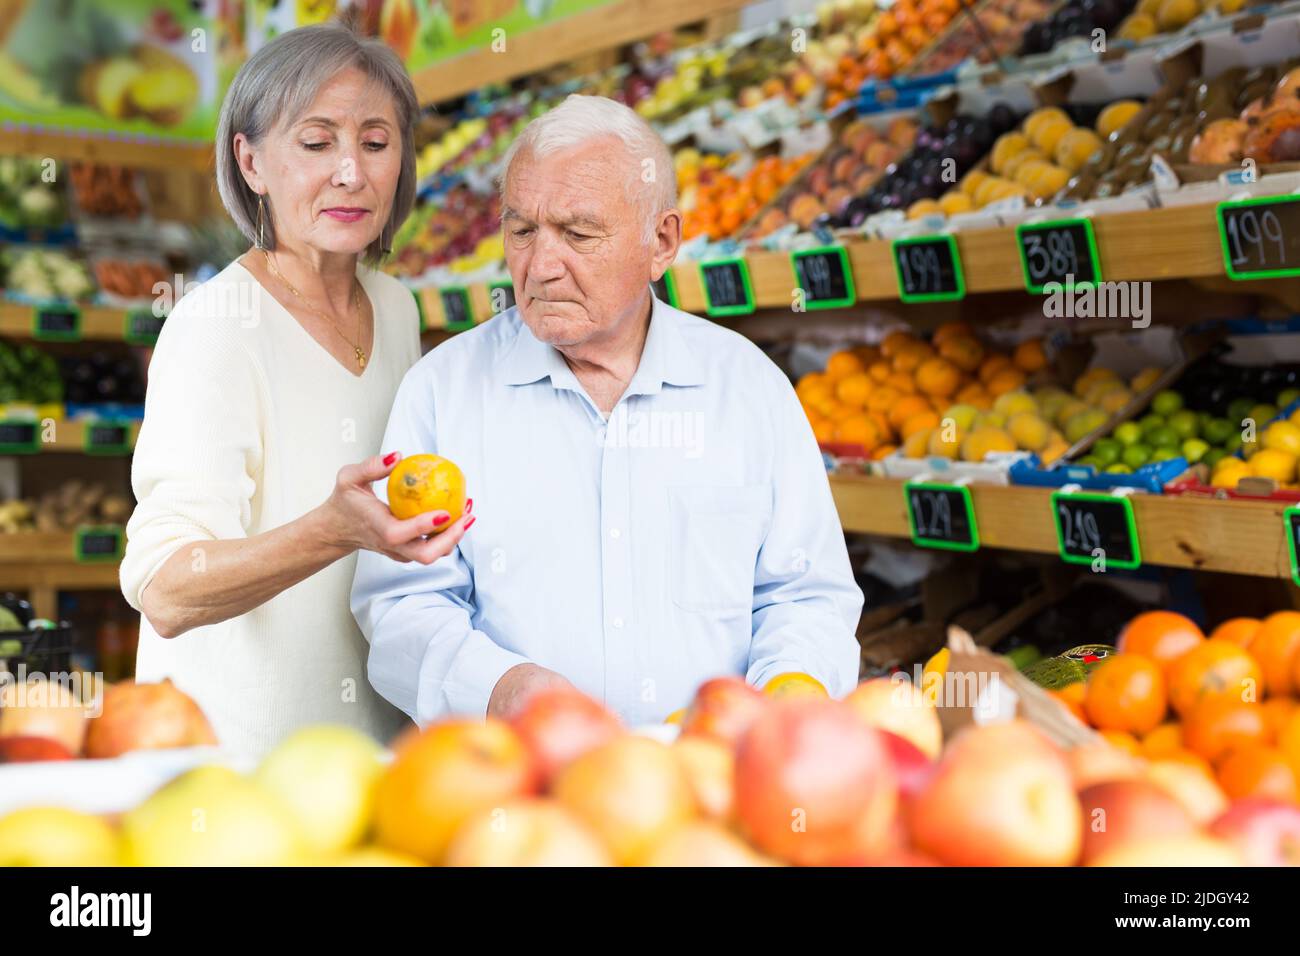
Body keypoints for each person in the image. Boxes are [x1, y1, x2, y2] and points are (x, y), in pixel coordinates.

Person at [352, 94, 863, 725]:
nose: (540, 266)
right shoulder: (442, 391)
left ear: (662, 241)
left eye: (578, 233)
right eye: (521, 231)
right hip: (519, 784)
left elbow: (805, 595)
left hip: (716, 781)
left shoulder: (748, 390)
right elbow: (402, 603)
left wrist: (785, 695)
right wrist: (502, 687)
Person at [119, 23, 472, 757]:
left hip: (372, 754)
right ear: (250, 162)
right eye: (316, 144)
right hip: (238, 768)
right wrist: (333, 529)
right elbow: (166, 587)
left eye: (376, 143)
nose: (351, 172)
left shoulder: (398, 308)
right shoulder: (216, 327)